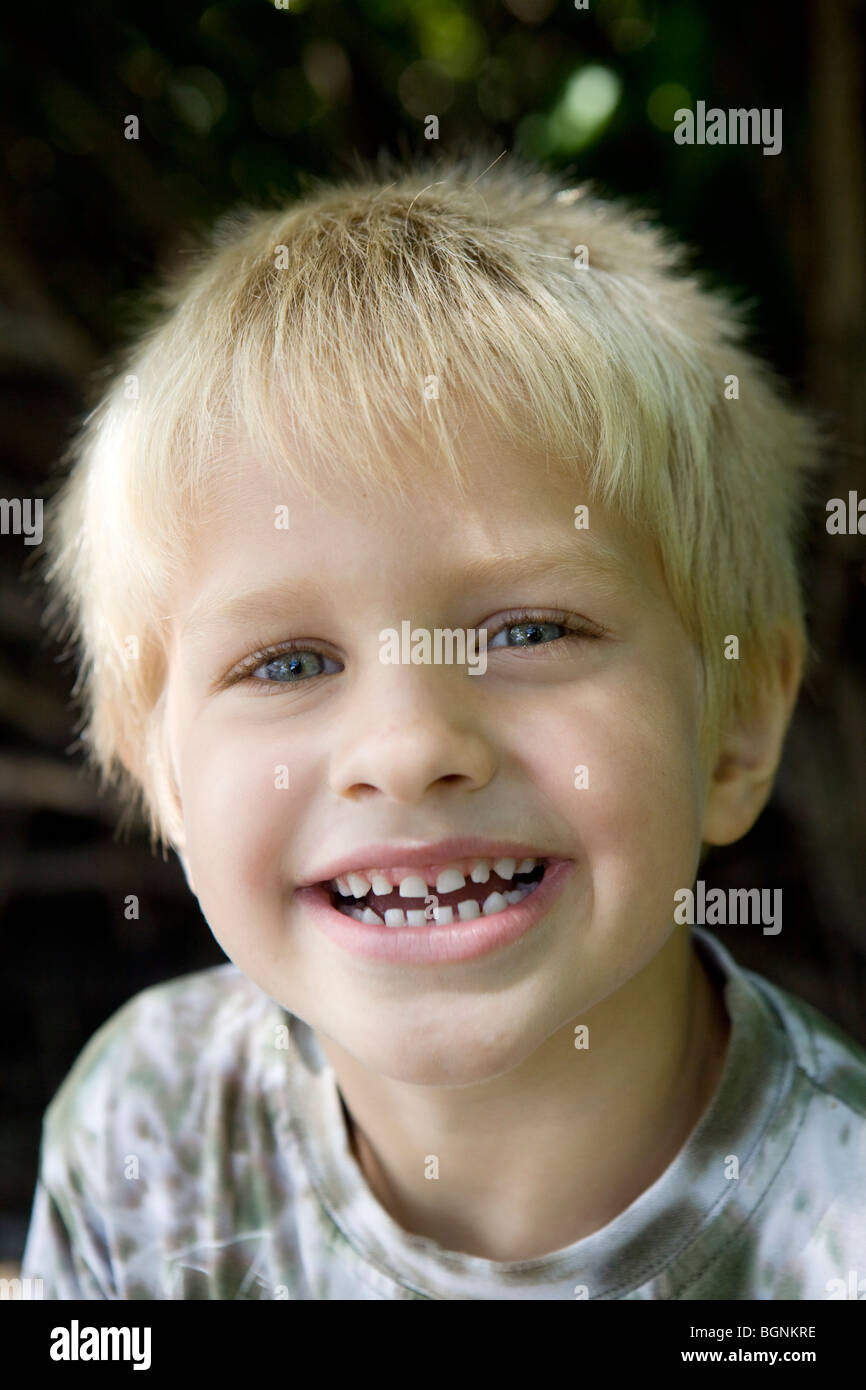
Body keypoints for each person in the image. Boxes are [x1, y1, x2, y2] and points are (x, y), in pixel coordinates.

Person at [21, 149, 866, 1299]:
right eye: (287, 661)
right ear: (159, 773)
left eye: (529, 631)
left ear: (737, 726)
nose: (410, 747)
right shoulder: (154, 1130)